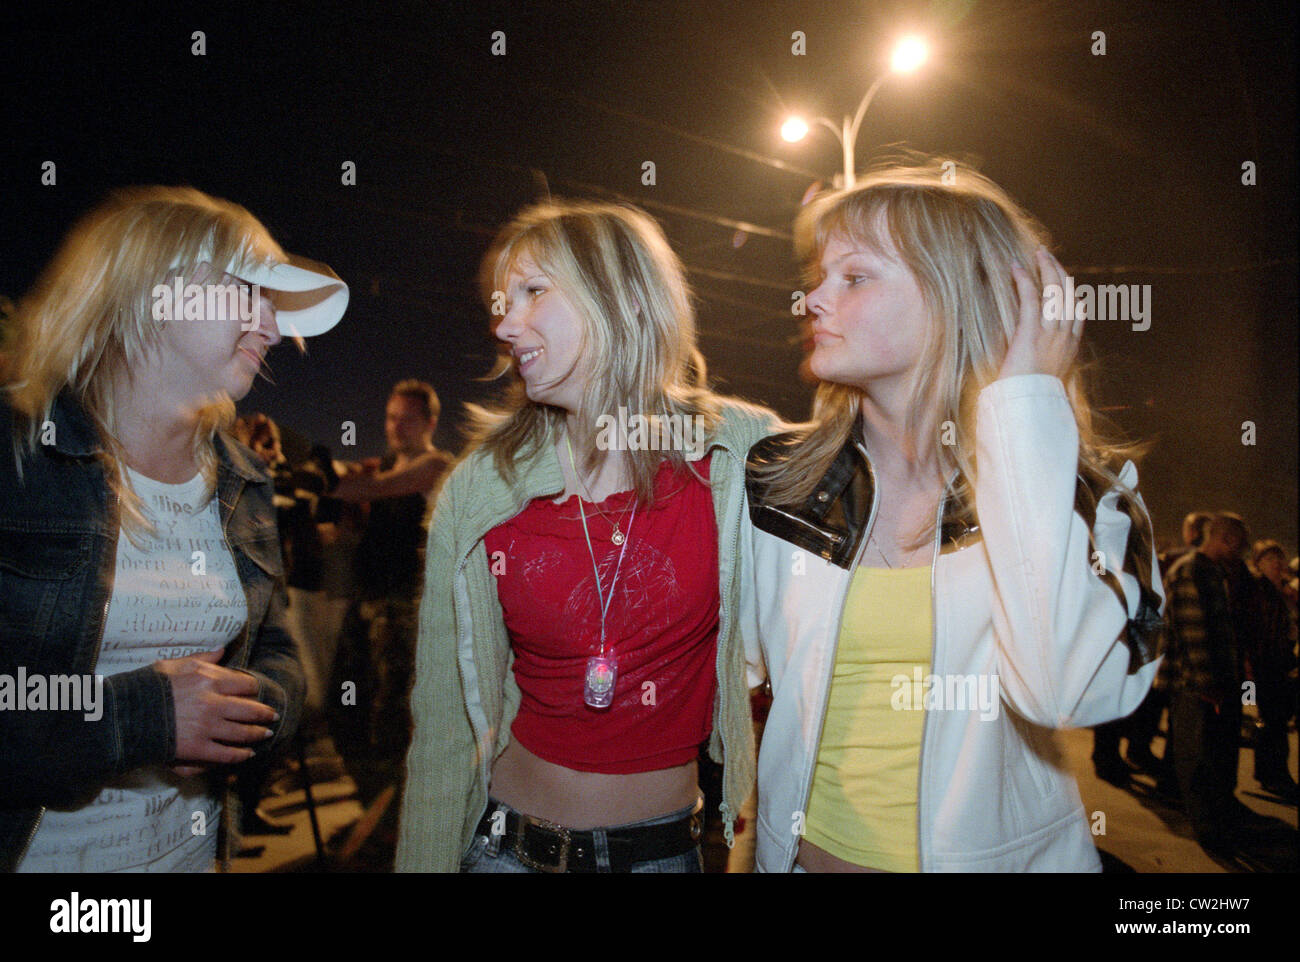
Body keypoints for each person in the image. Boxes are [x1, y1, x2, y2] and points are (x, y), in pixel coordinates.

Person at [740, 158, 1165, 872]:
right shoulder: (777, 478)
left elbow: (1067, 690)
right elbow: (731, 670)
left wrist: (1026, 404)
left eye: (854, 277)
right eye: (820, 276)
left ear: (953, 297)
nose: (811, 299)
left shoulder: (1090, 494)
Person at [395, 200, 777, 873]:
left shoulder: (734, 453)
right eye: (502, 301)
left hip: (662, 855)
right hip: (506, 851)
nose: (505, 323)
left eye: (534, 292)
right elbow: (445, 726)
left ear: (626, 300)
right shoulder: (482, 488)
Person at [0, 185, 347, 871]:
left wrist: (262, 708)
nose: (273, 331)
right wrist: (142, 720)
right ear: (156, 287)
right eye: (252, 293)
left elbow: (274, 645)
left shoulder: (242, 475)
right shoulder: (18, 453)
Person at [1161, 513, 1254, 855]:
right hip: (1196, 686)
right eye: (1240, 545)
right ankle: (1208, 830)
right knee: (1198, 759)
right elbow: (1193, 631)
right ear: (1226, 539)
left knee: (1217, 757)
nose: (1242, 552)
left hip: (1216, 684)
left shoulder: (1213, 572)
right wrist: (1206, 684)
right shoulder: (1191, 571)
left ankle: (1218, 820)